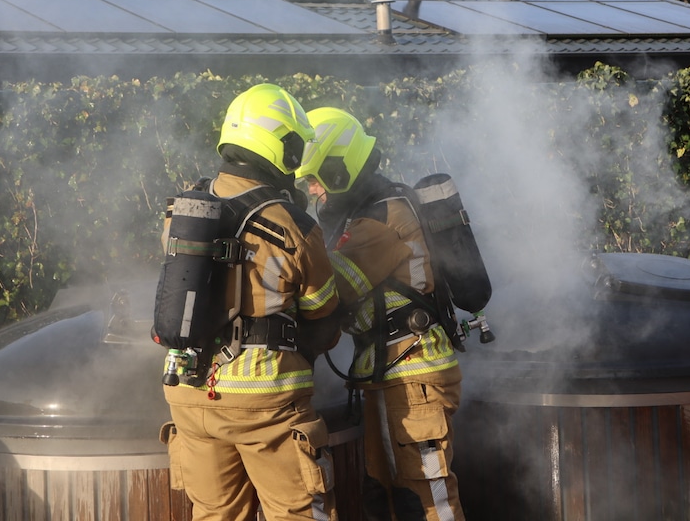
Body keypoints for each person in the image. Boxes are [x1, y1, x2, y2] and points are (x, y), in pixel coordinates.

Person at [158, 84, 342, 521]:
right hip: (265, 400)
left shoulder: (183, 210)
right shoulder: (293, 224)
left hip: (188, 392)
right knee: (298, 513)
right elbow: (322, 310)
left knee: (215, 513)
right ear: (279, 146)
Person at [296, 107, 466, 521]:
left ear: (341, 167)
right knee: (391, 496)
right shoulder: (368, 212)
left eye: (316, 178)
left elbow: (334, 291)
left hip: (411, 378)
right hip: (392, 374)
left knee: (428, 500)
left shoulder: (381, 218)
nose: (313, 190)